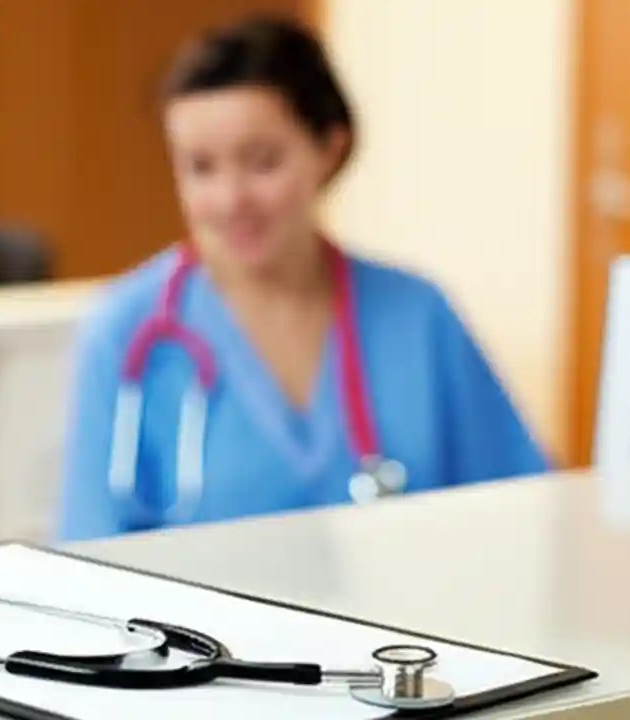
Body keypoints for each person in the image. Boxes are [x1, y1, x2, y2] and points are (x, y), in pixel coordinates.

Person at [58, 17, 547, 541]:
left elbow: (526, 518)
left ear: (329, 149)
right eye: (201, 167)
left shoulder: (418, 317)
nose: (230, 199)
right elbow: (86, 554)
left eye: (263, 162)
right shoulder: (126, 331)